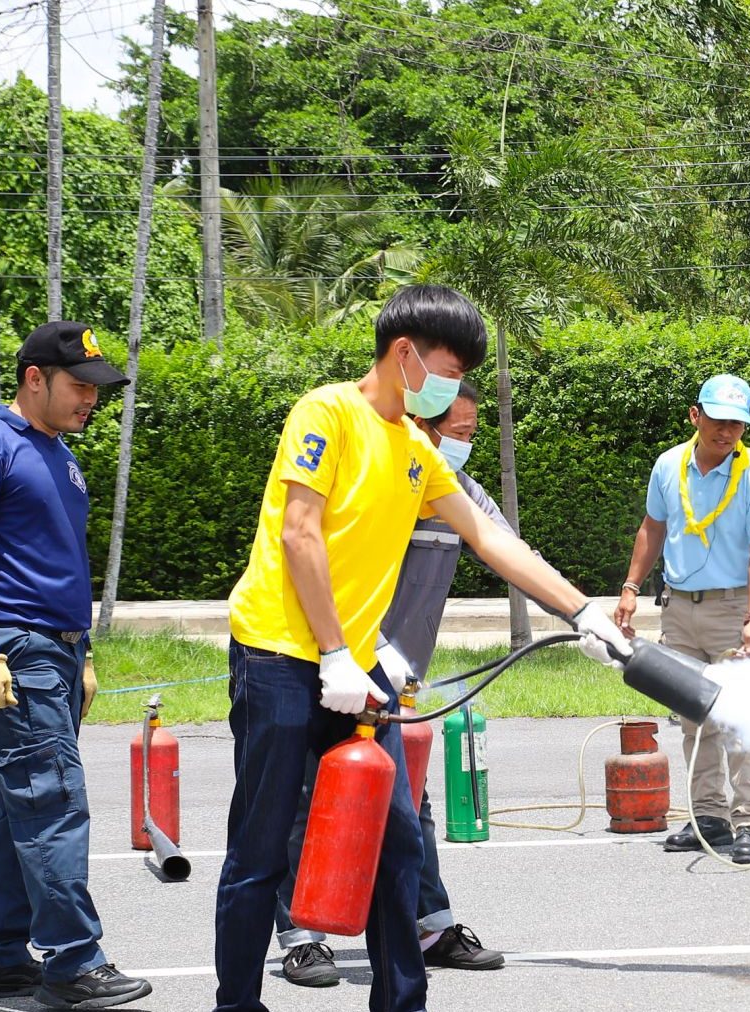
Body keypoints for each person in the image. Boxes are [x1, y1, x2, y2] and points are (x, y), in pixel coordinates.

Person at [215, 285, 629, 1012]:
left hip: (355, 662)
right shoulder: (327, 412)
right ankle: (237, 1005)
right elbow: (299, 532)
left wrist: (582, 610)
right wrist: (336, 654)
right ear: (403, 352)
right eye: (447, 369)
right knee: (262, 846)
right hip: (280, 654)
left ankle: (402, 1003)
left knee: (396, 846)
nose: (453, 388)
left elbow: (489, 535)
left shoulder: (414, 445)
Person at [271, 380, 520, 986]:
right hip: (336, 669)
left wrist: (584, 618)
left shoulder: (461, 492)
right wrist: (359, 649)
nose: (465, 444)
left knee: (410, 803)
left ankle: (431, 925)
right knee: (309, 797)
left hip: (399, 684)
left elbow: (512, 549)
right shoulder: (388, 484)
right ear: (424, 426)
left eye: (471, 433)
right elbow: (336, 566)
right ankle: (300, 937)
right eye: (458, 434)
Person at [0, 322, 153, 1009]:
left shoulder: (59, 454)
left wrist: (81, 652)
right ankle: (74, 963)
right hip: (12, 648)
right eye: (79, 386)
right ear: (35, 379)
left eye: (96, 389)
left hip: (55, 651)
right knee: (55, 802)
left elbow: (60, 561)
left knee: (22, 804)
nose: (91, 399)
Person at [614, 374, 750, 865]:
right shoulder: (669, 466)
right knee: (694, 718)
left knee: (740, 718)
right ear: (695, 415)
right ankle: (709, 816)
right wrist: (629, 588)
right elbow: (653, 527)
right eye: (718, 420)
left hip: (731, 609)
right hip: (679, 607)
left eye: (737, 424)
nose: (727, 432)